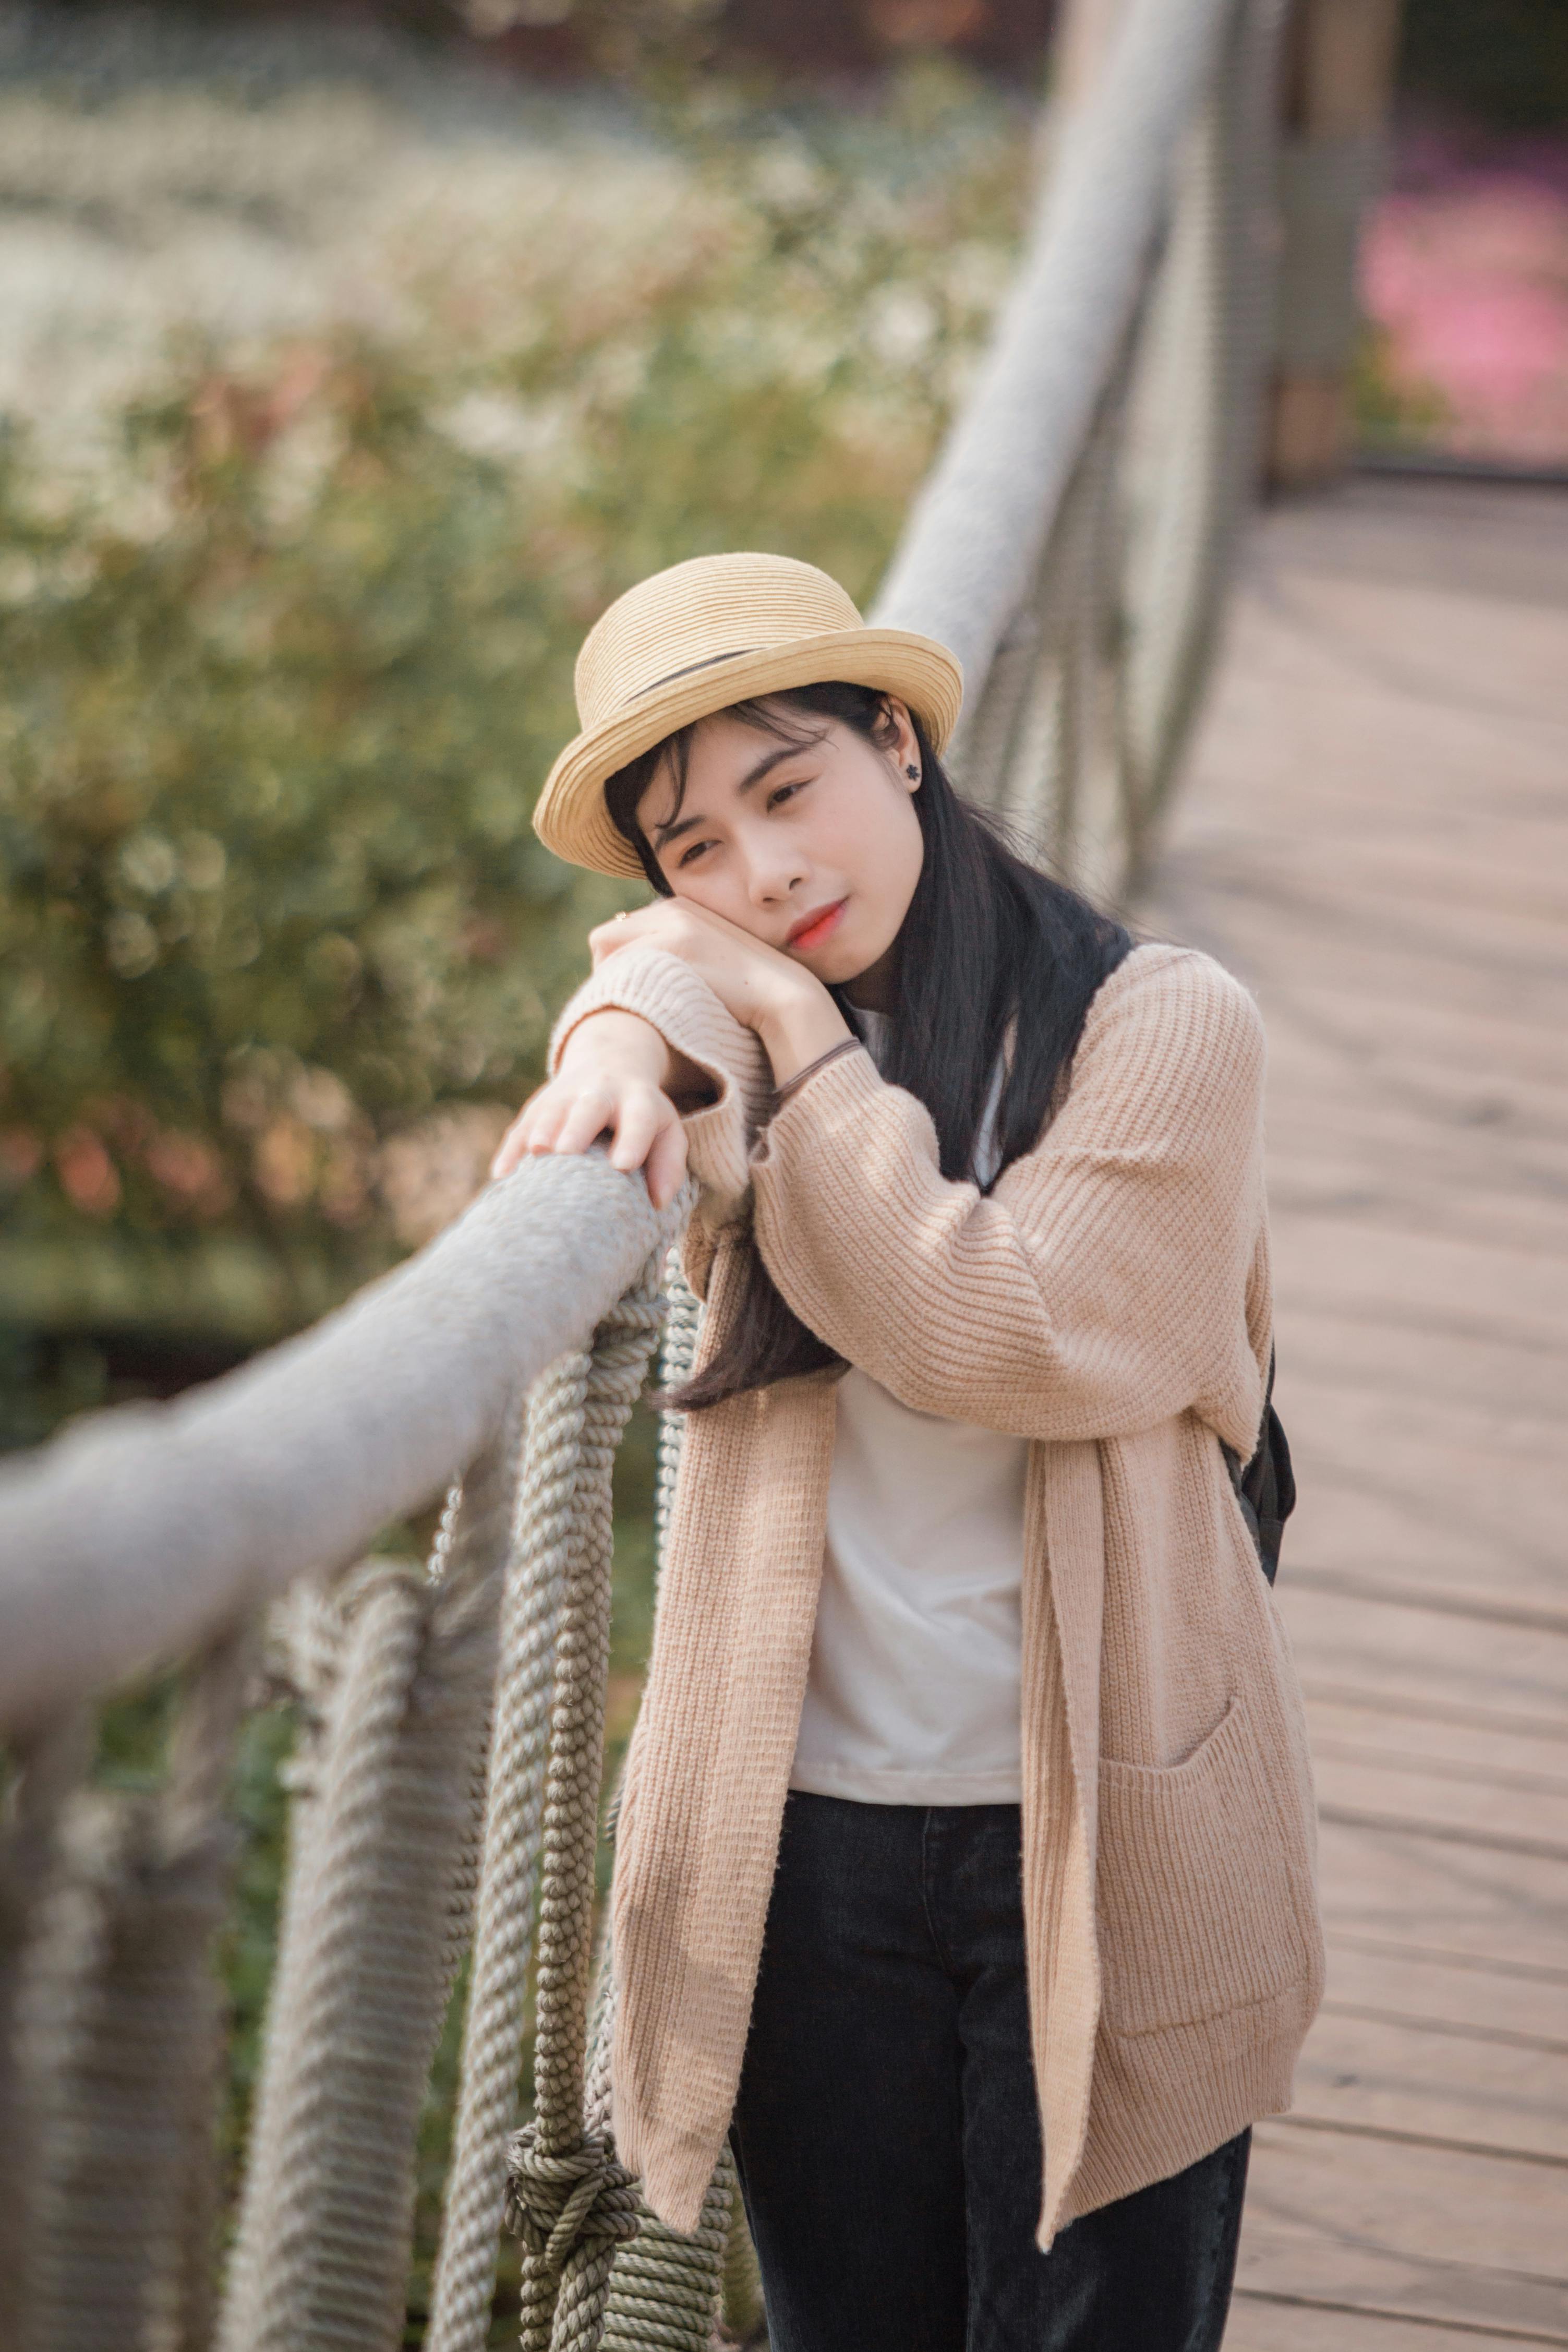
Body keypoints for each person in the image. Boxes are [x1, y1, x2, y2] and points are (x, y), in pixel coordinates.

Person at [493, 551, 1324, 2351]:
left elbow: (1001, 1333)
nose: (764, 872)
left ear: (901, 742)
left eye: (789, 791)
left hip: (1104, 1835)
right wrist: (627, 1024)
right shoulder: (734, 1007)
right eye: (696, 847)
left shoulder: (1162, 1026)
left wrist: (799, 1033)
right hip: (805, 1856)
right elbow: (650, 1002)